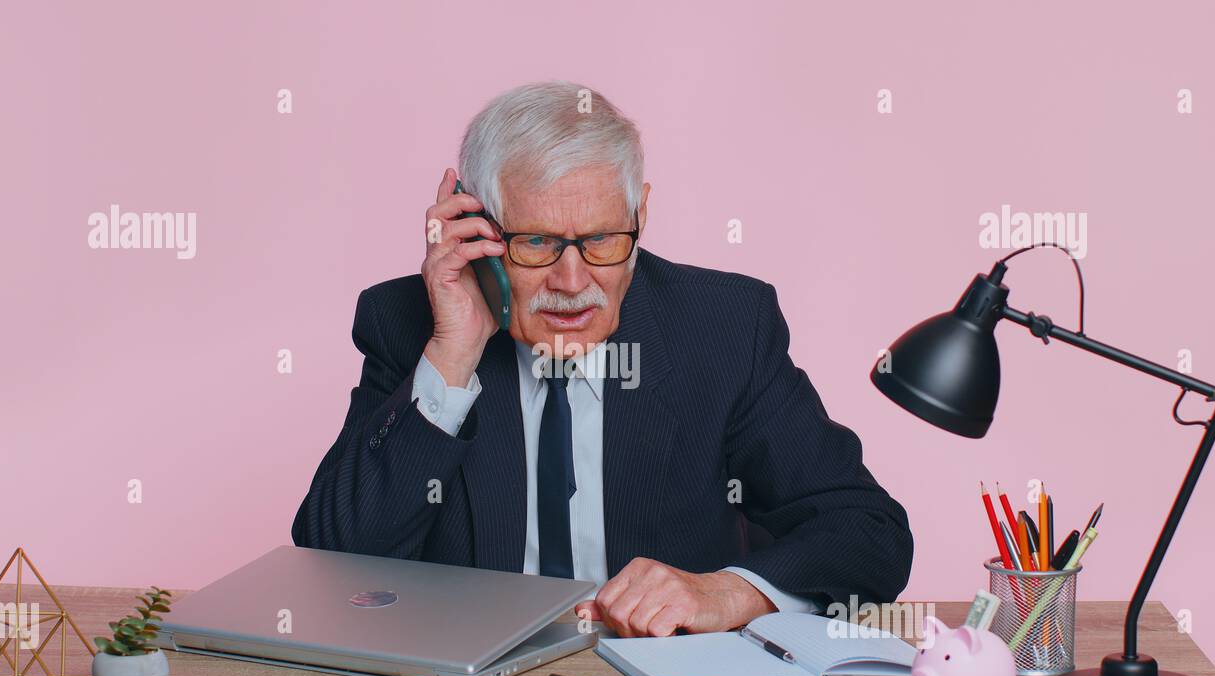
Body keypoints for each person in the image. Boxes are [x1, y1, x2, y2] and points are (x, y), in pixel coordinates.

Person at [292, 81, 913, 637]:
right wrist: (452, 352)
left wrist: (727, 592)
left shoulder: (725, 327)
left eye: (601, 241)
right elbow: (332, 563)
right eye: (534, 241)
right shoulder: (409, 323)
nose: (571, 280)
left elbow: (868, 532)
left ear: (640, 214)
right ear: (476, 232)